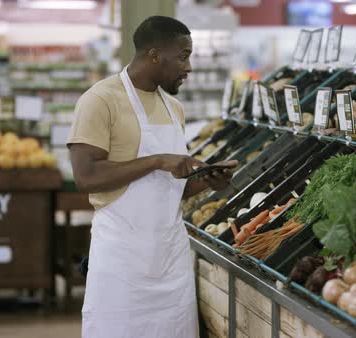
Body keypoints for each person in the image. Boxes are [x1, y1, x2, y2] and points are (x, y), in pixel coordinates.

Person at [67, 16, 235, 338]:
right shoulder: (100, 100)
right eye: (183, 56)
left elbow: (170, 188)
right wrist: (157, 160)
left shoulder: (174, 108)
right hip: (122, 260)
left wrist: (207, 179)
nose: (189, 68)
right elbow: (86, 176)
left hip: (171, 257)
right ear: (155, 55)